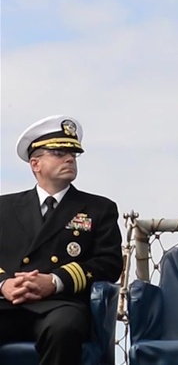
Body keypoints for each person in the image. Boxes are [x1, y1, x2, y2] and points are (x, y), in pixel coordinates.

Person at [0, 115, 124, 365]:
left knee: (63, 330)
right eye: (58, 153)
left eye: (73, 154)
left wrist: (55, 281)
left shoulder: (98, 208)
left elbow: (109, 263)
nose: (69, 159)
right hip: (8, 303)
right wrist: (3, 284)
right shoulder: (4, 207)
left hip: (62, 304)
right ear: (35, 164)